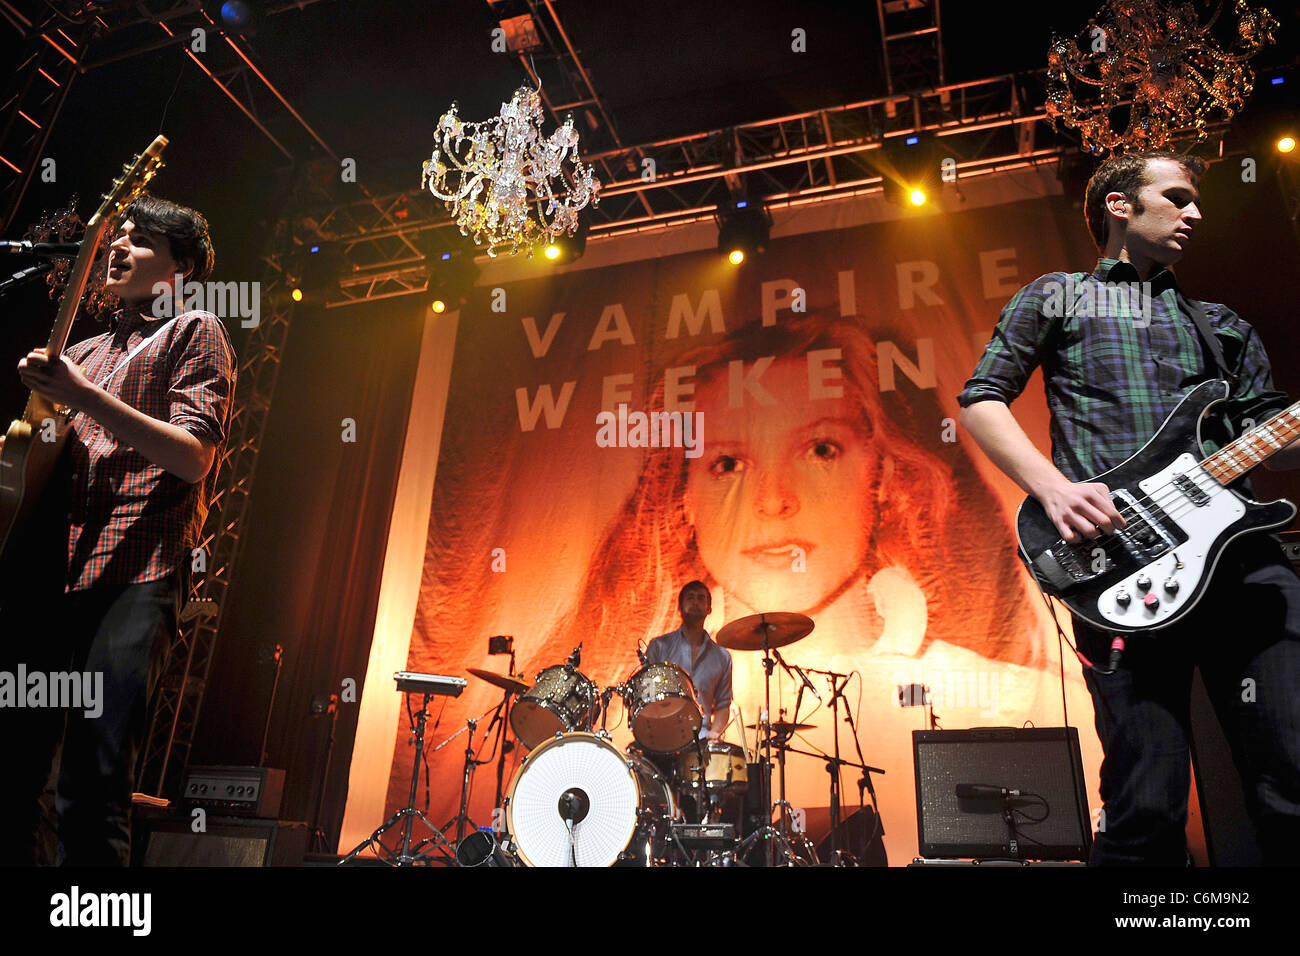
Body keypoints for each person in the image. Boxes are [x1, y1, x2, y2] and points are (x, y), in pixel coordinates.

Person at [958, 150, 1300, 865]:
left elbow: (1278, 439)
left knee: (1292, 776)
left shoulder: (1222, 323)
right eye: (1177, 197)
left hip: (1241, 565)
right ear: (1120, 205)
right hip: (1119, 567)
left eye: (1196, 201)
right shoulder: (1058, 297)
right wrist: (1051, 487)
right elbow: (983, 400)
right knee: (1146, 804)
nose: (1196, 213)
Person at [0, 194, 236, 865]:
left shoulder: (195, 330)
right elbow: (38, 462)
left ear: (181, 267)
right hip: (54, 577)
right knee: (16, 780)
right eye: (116, 235)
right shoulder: (82, 351)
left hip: (139, 575)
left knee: (94, 783)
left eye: (138, 239)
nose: (117, 246)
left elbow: (192, 456)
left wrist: (81, 396)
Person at [644, 580, 733, 738]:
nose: (696, 602)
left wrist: (715, 733)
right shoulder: (658, 646)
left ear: (709, 608)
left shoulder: (722, 656)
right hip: (662, 733)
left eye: (701, 598)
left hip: (702, 737)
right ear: (679, 607)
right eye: (690, 598)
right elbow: (646, 695)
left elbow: (723, 705)